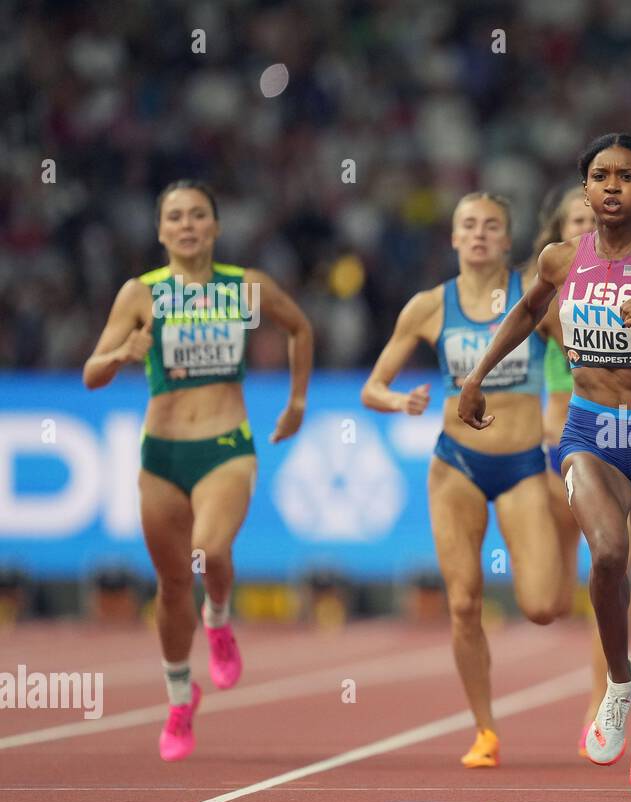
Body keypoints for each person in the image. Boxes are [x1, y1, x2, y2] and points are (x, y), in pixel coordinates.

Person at [459, 133, 631, 792]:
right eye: (600, 176)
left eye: (626, 176)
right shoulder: (558, 259)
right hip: (589, 432)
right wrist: (479, 376)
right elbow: (525, 313)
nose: (612, 186)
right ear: (585, 189)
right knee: (607, 553)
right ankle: (619, 682)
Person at [83, 180, 313, 761]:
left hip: (226, 446)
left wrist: (297, 401)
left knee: (207, 550)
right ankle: (180, 698)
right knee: (170, 584)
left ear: (214, 226)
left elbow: (300, 327)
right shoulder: (142, 294)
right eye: (175, 217)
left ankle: (218, 617)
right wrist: (118, 356)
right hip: (161, 456)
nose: (186, 225)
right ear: (160, 231)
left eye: (197, 215)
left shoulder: (245, 288)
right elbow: (92, 372)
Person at [362, 192, 564, 769]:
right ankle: (485, 731)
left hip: (525, 462)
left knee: (544, 605)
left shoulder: (534, 296)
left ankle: (547, 574)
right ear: (452, 238)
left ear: (506, 239)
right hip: (456, 464)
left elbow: (581, 355)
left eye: (491, 226)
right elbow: (371, 386)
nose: (478, 234)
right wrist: (400, 399)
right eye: (467, 226)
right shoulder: (429, 306)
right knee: (463, 602)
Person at [525, 186, 611, 756]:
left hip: (604, 442)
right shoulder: (547, 289)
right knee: (545, 605)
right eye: (574, 221)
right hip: (550, 444)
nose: (586, 228)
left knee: (608, 573)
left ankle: (601, 701)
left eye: (592, 220)